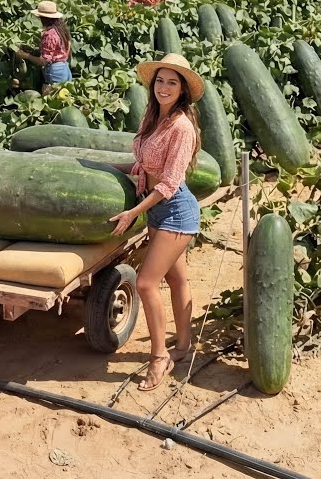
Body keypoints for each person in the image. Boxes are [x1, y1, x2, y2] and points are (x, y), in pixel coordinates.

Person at [107, 53, 203, 392]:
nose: (164, 87)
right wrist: (109, 168)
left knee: (146, 284)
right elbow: (145, 165)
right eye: (160, 81)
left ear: (182, 91)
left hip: (177, 211)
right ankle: (184, 347)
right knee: (178, 280)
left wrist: (134, 212)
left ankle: (160, 356)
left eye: (172, 83)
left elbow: (170, 182)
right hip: (159, 211)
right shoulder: (153, 117)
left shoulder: (181, 127)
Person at [13, 0, 72, 93]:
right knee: (63, 98)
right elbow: (68, 45)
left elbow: (43, 61)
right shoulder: (61, 30)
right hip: (64, 68)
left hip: (55, 71)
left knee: (50, 98)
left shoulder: (49, 34)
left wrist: (25, 55)